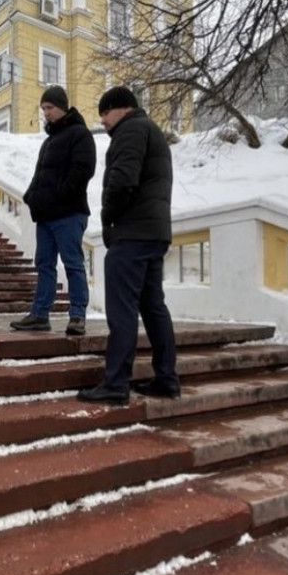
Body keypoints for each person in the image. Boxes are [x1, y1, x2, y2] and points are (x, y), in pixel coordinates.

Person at [77, 86, 180, 404]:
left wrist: (108, 219)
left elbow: (122, 181)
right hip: (153, 232)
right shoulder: (152, 132)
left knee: (122, 311)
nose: (103, 121)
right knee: (153, 308)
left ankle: (116, 383)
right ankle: (166, 379)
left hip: (132, 233)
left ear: (121, 108)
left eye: (105, 113)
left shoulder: (131, 130)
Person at [10, 85, 96, 336]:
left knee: (73, 263)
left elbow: (83, 170)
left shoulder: (80, 133)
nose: (45, 113)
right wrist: (31, 197)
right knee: (44, 264)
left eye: (49, 108)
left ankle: (78, 315)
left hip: (69, 212)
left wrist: (60, 195)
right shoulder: (49, 141)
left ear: (62, 106)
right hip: (47, 214)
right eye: (43, 108)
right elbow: (40, 175)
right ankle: (40, 315)